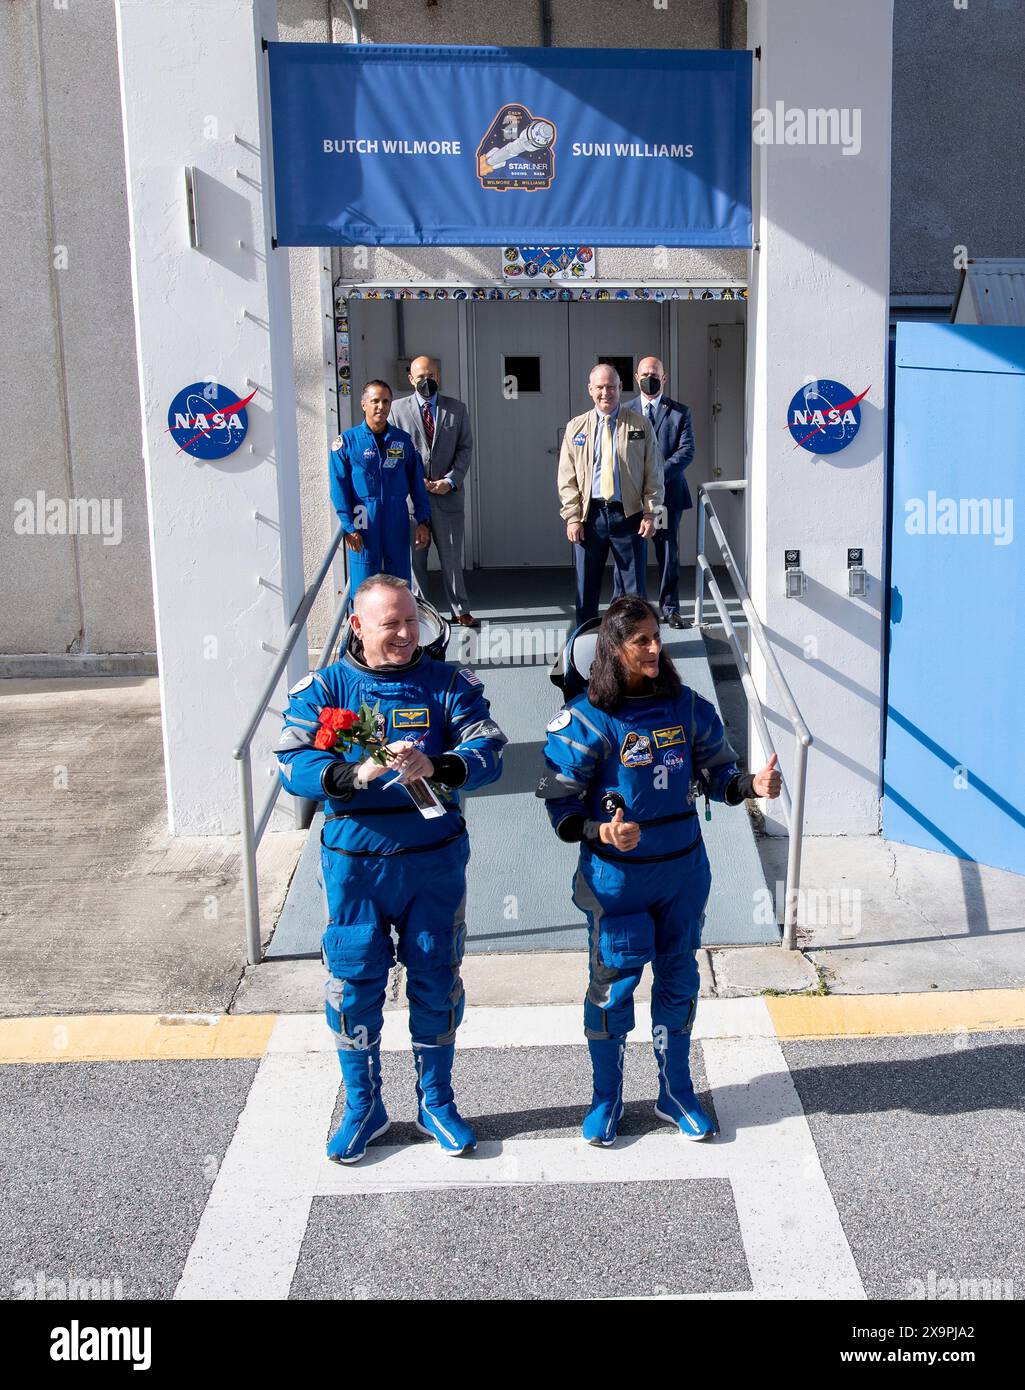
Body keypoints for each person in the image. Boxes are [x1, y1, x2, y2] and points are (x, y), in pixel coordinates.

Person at [275, 574, 507, 1163]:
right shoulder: (326, 687)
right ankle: (363, 1105)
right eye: (391, 624)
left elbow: (489, 748)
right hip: (356, 865)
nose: (405, 634)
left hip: (433, 862)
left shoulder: (448, 683)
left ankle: (436, 1101)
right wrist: (352, 776)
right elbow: (291, 761)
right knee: (353, 983)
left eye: (411, 621)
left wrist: (442, 764)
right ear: (357, 626)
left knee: (436, 977)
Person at [536, 596, 781, 1146]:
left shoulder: (688, 706)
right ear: (612, 650)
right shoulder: (584, 721)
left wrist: (750, 788)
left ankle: (675, 1090)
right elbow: (559, 805)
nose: (653, 648)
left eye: (655, 638)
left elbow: (720, 772)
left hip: (683, 873)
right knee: (613, 989)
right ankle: (606, 1099)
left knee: (679, 979)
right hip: (616, 880)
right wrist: (602, 832)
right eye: (639, 640)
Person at [557, 363, 663, 629]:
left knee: (634, 591)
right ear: (590, 390)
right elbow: (566, 478)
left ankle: (632, 643)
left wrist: (650, 512)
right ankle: (584, 644)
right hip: (589, 517)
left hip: (629, 516)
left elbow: (654, 472)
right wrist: (572, 517)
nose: (607, 393)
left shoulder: (639, 424)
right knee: (586, 588)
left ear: (620, 388)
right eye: (601, 387)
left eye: (612, 387)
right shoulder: (576, 427)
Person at [390, 355, 479, 629]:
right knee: (416, 561)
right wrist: (415, 482)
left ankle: (460, 609)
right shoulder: (396, 409)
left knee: (451, 557)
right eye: (419, 376)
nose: (425, 380)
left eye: (430, 375)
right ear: (410, 378)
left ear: (438, 376)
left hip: (447, 496)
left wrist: (451, 480)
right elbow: (394, 451)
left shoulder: (457, 409)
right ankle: (421, 613)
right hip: (412, 500)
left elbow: (465, 448)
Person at [330, 380, 430, 601]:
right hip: (364, 522)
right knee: (364, 584)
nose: (381, 406)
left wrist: (423, 521)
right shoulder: (347, 442)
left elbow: (416, 484)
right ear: (363, 404)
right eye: (375, 401)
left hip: (396, 519)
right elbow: (339, 488)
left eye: (385, 401)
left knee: (399, 583)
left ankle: (398, 631)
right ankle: (362, 633)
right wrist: (348, 527)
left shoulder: (402, 442)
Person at [620, 356, 696, 629]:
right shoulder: (623, 411)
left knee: (667, 554)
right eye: (644, 373)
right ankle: (630, 610)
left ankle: (671, 609)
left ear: (664, 378)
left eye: (654, 373)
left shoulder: (679, 412)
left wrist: (655, 477)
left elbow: (686, 452)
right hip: (631, 498)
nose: (649, 378)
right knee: (629, 555)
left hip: (668, 496)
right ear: (636, 377)